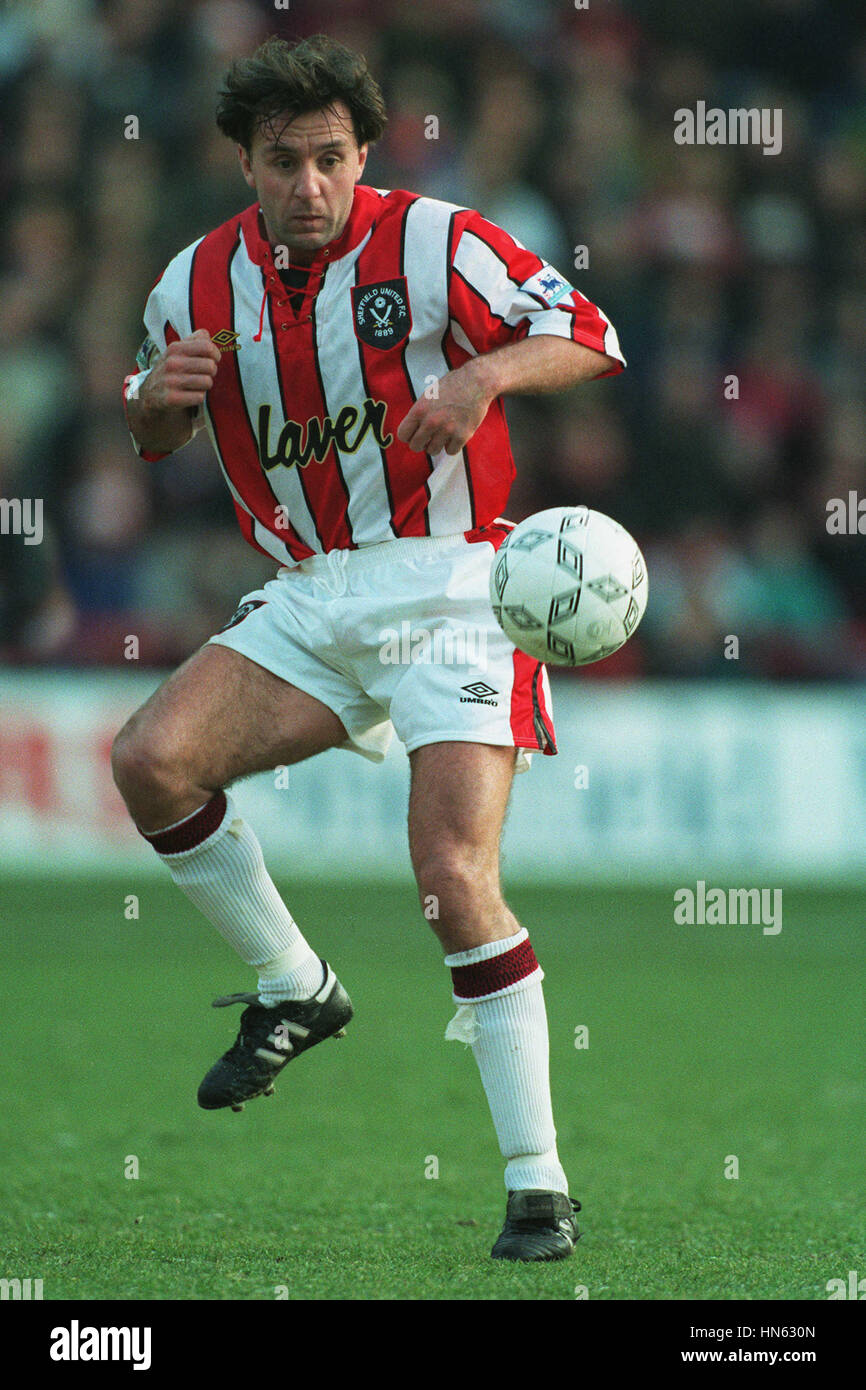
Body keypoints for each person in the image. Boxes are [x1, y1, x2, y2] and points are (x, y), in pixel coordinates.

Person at [113, 33, 625, 1262]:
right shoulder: (189, 285)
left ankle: (536, 1183)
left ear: (362, 154)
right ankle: (296, 985)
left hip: (453, 583)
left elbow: (591, 332)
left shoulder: (439, 242)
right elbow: (152, 437)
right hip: (308, 590)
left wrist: (487, 375)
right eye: (282, 161)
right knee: (150, 761)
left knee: (450, 876)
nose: (308, 185)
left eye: (330, 158)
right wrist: (154, 408)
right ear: (242, 160)